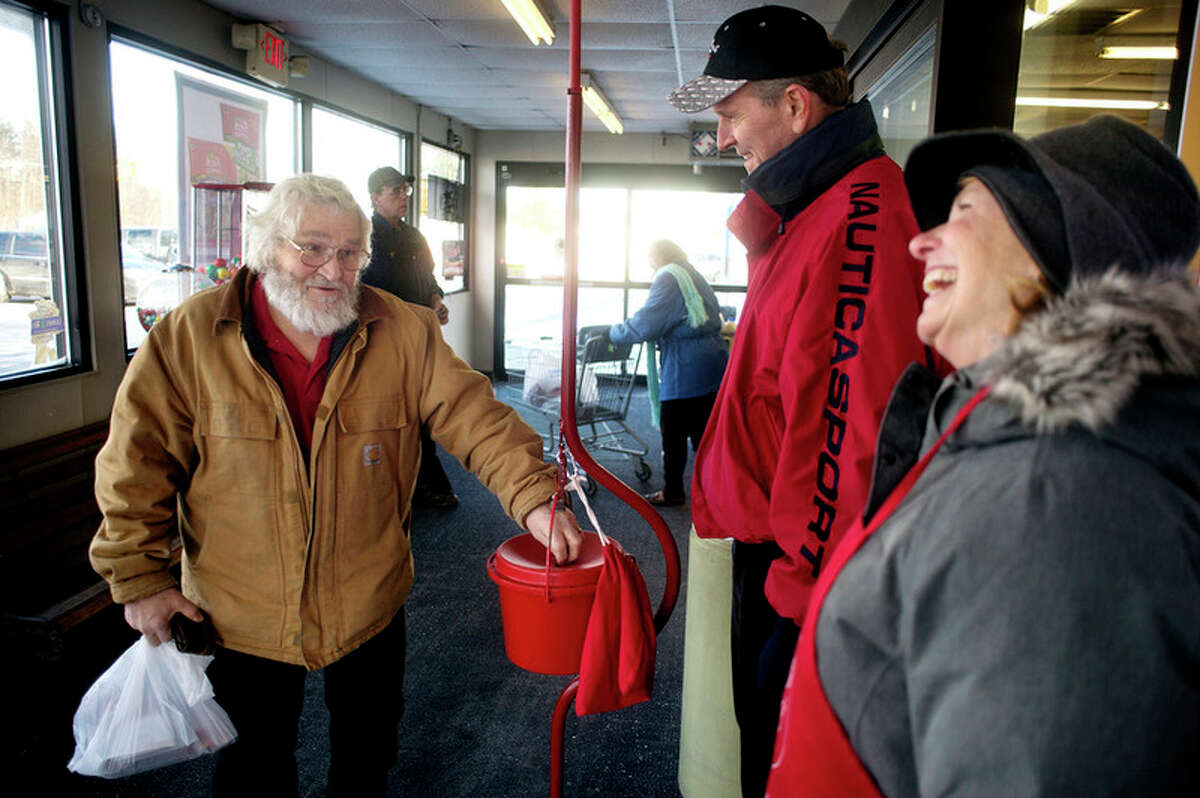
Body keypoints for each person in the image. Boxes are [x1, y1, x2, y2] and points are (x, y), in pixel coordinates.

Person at [90, 174, 583, 797]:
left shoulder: (403, 331)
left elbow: (475, 419)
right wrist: (140, 578)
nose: (334, 268)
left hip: (367, 599)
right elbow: (136, 463)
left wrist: (534, 498)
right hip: (239, 611)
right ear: (268, 247)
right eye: (313, 248)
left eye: (350, 252)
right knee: (253, 768)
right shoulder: (189, 337)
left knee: (367, 757)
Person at [768, 115, 1200, 796]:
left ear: (1045, 254)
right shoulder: (1002, 439)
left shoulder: (1055, 506)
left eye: (963, 210)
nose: (919, 243)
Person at [668, 6, 943, 794]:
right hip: (779, 559)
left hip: (804, 584)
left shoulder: (858, 219)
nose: (722, 136)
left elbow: (851, 438)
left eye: (730, 113)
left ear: (794, 105)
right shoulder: (810, 212)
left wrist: (802, 611)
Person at [361, 165, 459, 509]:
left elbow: (428, 279)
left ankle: (424, 483)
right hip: (381, 340)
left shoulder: (414, 237)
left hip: (420, 336)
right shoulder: (364, 239)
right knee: (393, 413)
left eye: (405, 191)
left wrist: (436, 300)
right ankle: (402, 487)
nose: (403, 197)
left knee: (421, 409)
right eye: (395, 192)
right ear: (375, 198)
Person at [607, 239, 728, 507]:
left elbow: (646, 324)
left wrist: (612, 332)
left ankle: (673, 492)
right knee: (704, 431)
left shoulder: (668, 277)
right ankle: (715, 491)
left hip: (687, 366)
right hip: (713, 360)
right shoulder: (692, 273)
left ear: (656, 258)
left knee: (673, 430)